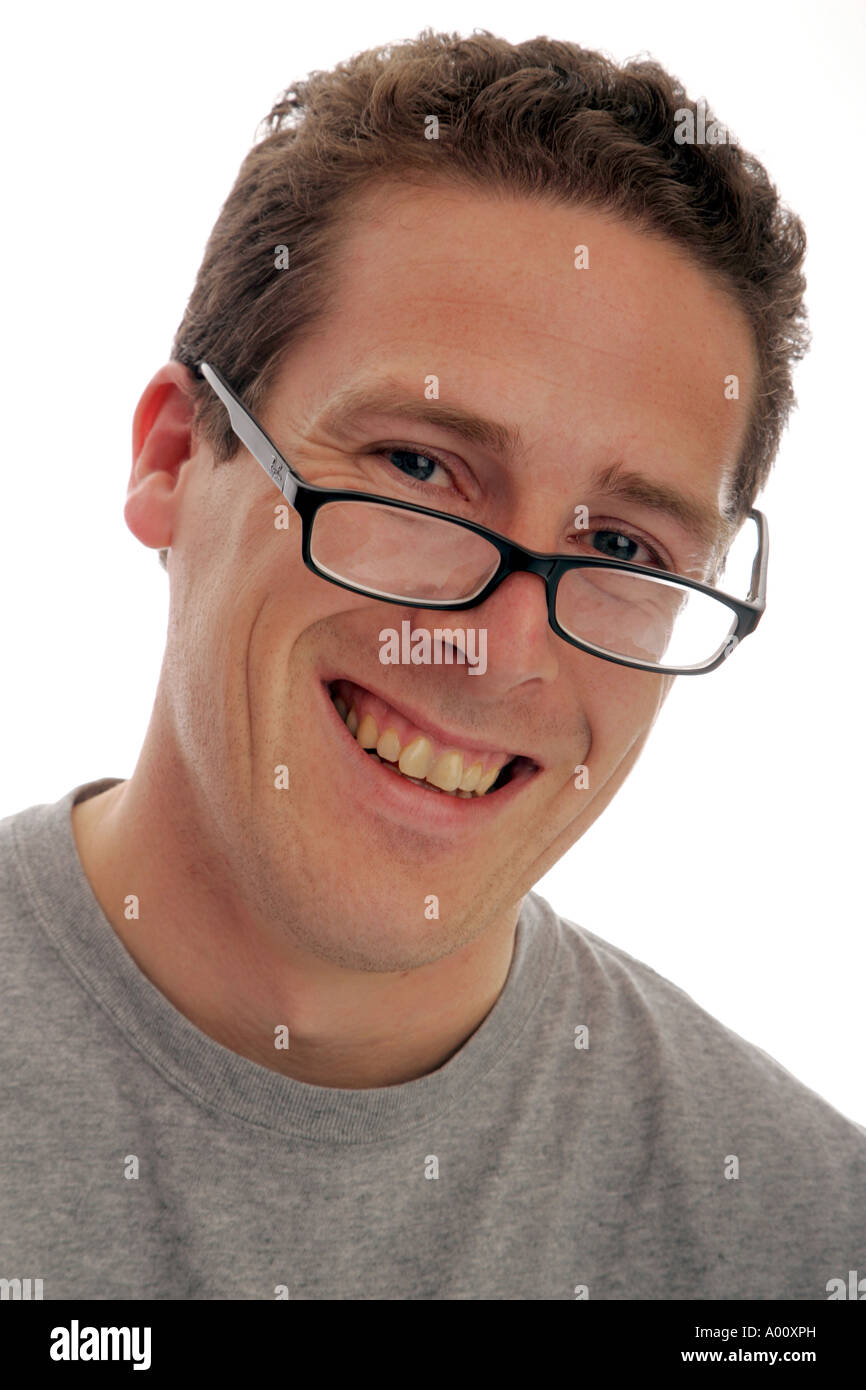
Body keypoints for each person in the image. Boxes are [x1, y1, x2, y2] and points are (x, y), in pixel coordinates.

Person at [2, 29, 863, 1302]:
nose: (498, 649)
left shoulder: (802, 1244)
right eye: (418, 467)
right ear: (178, 457)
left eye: (620, 542)